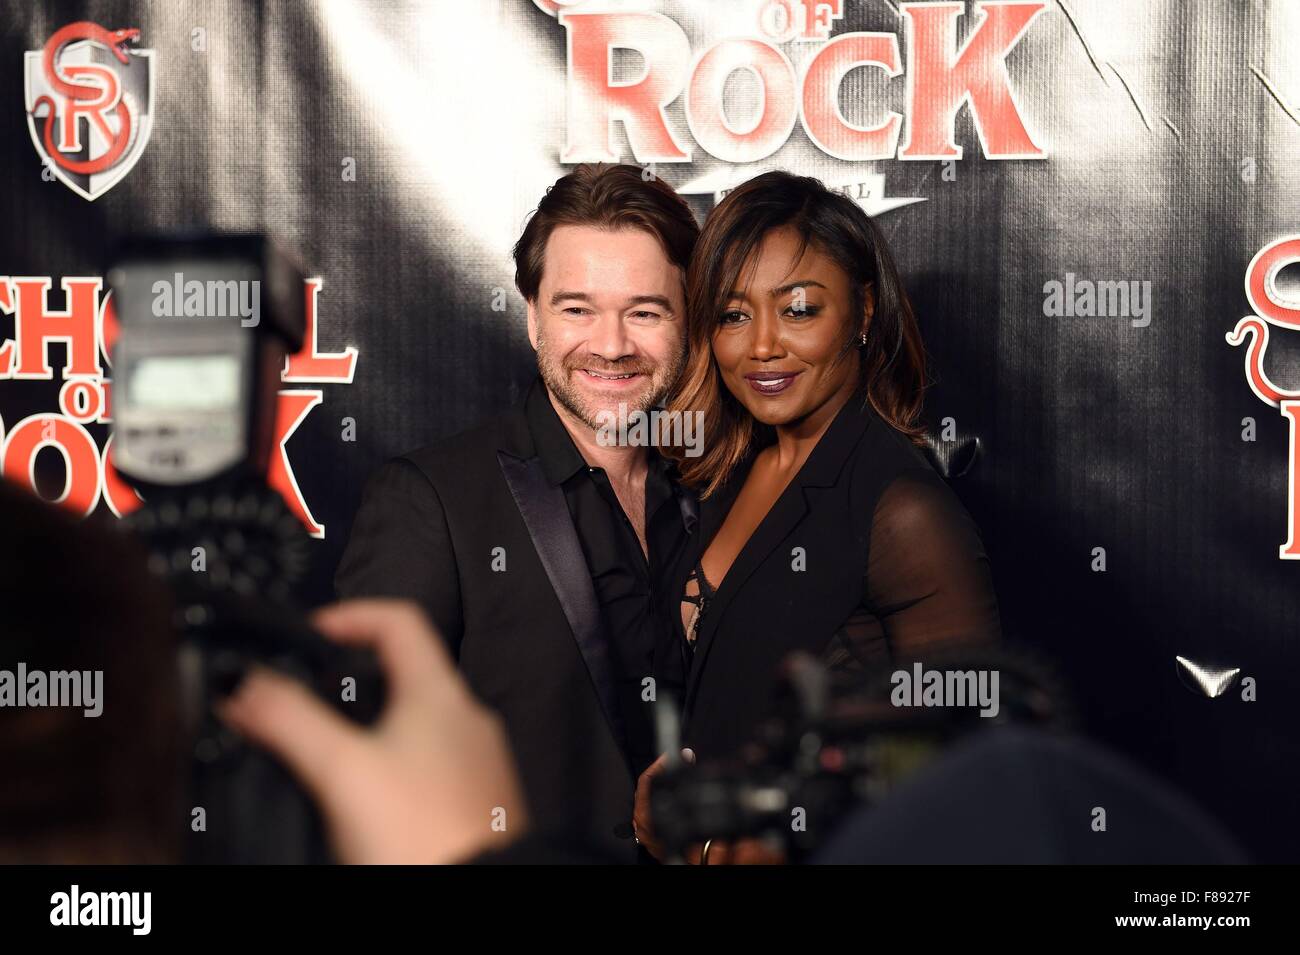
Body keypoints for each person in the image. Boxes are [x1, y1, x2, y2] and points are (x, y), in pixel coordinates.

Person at [334, 163, 699, 862]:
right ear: (533, 317)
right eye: (577, 308)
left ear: (687, 318)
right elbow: (367, 761)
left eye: (645, 310)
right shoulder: (431, 499)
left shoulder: (717, 488)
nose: (613, 343)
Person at [636, 171, 1002, 862]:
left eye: (799, 308)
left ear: (863, 313)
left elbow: (961, 774)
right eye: (734, 314)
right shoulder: (732, 471)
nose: (763, 345)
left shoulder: (902, 509)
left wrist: (725, 847)